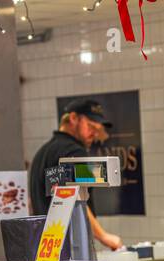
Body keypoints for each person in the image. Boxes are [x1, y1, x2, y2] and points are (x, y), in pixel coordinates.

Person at [27, 98, 122, 251]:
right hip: (71, 247)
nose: (95, 134)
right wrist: (103, 236)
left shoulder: (43, 152)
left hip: (47, 247)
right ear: (73, 118)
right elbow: (76, 199)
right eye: (91, 126)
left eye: (97, 130)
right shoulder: (74, 152)